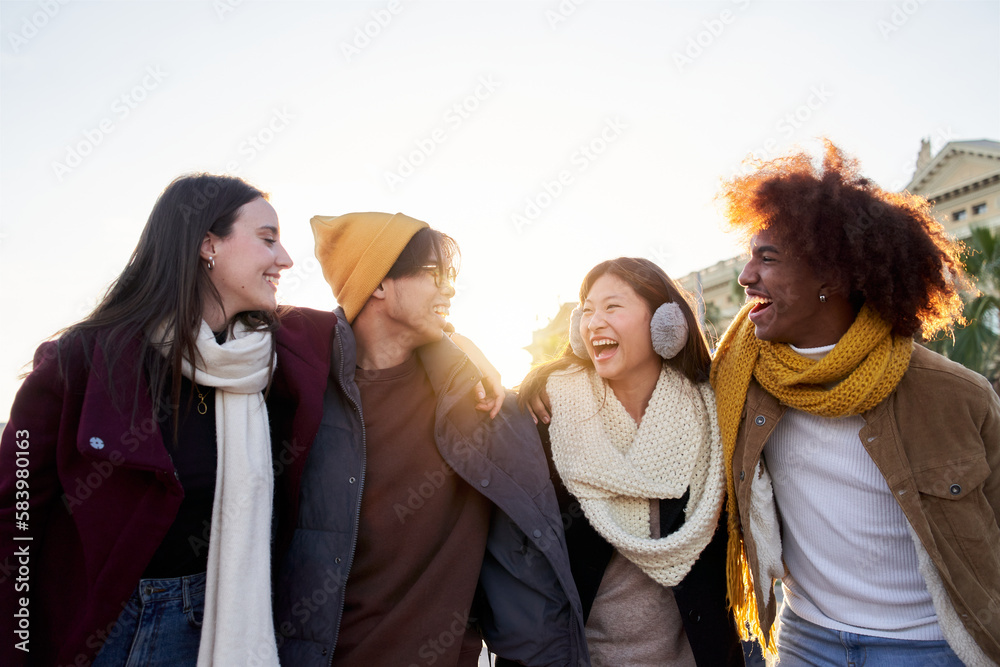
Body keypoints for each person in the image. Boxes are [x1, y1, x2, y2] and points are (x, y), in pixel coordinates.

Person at [711, 140, 1000, 665]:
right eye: (748, 256)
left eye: (766, 257)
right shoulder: (742, 377)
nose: (745, 276)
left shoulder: (956, 396)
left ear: (832, 276)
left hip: (929, 647)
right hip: (806, 638)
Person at [269, 212, 588, 666]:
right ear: (379, 283)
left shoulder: (473, 401)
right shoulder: (303, 396)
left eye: (451, 275)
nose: (451, 288)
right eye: (434, 274)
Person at [0, 174, 294, 665]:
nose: (284, 258)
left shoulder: (269, 360)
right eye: (268, 239)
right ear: (207, 246)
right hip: (99, 628)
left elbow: (368, 346)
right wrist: (19, 644)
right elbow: (17, 510)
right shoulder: (81, 361)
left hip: (210, 626)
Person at [519, 257, 744, 666]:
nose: (593, 322)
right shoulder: (548, 416)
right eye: (586, 310)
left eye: (612, 307)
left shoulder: (714, 412)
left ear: (666, 322)